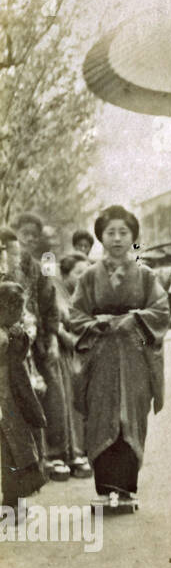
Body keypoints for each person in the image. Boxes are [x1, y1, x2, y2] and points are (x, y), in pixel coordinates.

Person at [67, 206, 169, 510]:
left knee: (132, 416)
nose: (117, 238)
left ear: (133, 236)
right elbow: (75, 314)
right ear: (101, 236)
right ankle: (104, 492)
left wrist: (136, 318)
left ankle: (126, 490)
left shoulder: (146, 275)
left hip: (135, 352)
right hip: (100, 354)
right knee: (100, 415)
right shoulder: (88, 276)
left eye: (123, 232)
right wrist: (94, 324)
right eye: (110, 232)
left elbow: (162, 310)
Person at [12, 213, 66, 482]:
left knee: (53, 388)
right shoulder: (7, 268)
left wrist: (53, 338)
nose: (29, 239)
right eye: (24, 234)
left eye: (34, 235)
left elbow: (50, 305)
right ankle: (29, 458)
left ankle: (56, 453)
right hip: (14, 343)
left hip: (40, 340)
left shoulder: (40, 268)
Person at [0, 281, 47, 507]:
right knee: (11, 448)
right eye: (14, 310)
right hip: (7, 395)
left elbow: (20, 353)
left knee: (13, 449)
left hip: (10, 396)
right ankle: (12, 502)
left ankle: (13, 503)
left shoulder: (14, 333)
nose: (18, 315)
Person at [55, 254, 93, 479]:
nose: (82, 278)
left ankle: (86, 448)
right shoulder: (58, 292)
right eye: (78, 273)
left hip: (83, 348)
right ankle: (73, 451)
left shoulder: (85, 293)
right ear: (67, 274)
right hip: (66, 351)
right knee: (73, 398)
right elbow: (59, 327)